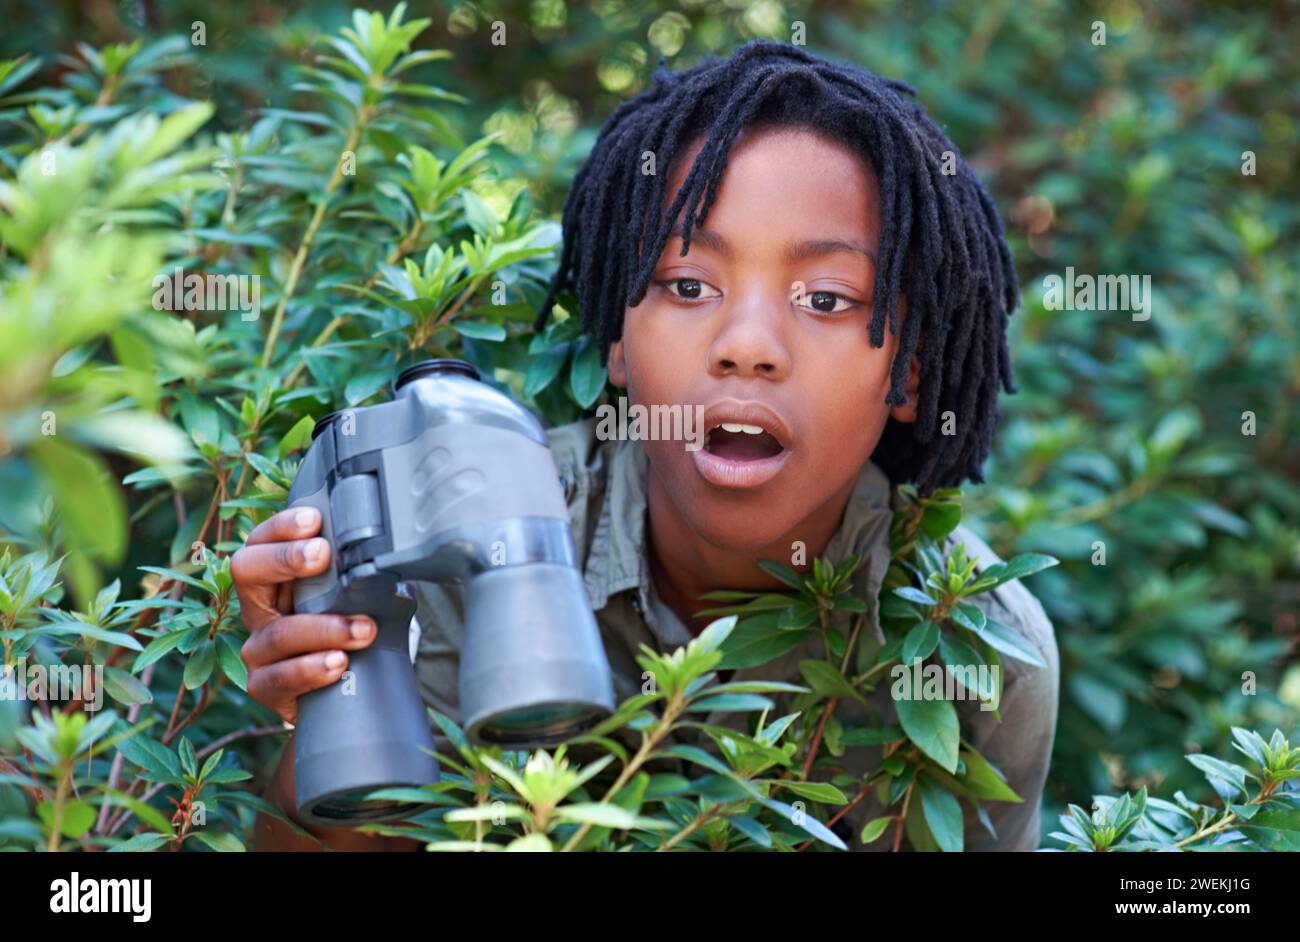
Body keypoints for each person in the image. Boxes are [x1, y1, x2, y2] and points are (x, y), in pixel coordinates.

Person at [232, 39, 1058, 852]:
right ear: (618, 340)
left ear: (909, 369)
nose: (748, 345)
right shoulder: (477, 525)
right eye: (688, 285)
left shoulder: (985, 656)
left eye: (828, 298)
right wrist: (326, 703)